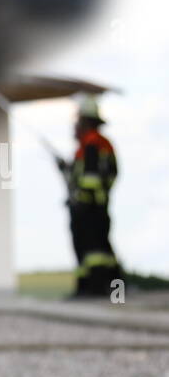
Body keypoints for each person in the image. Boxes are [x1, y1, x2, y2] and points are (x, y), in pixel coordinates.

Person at [57, 94, 121, 298]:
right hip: (90, 205)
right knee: (94, 249)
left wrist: (82, 198)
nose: (75, 125)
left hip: (90, 207)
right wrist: (64, 168)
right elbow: (80, 176)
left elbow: (91, 178)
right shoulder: (87, 146)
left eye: (78, 121)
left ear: (85, 121)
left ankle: (98, 290)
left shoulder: (93, 143)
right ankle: (100, 290)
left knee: (95, 250)